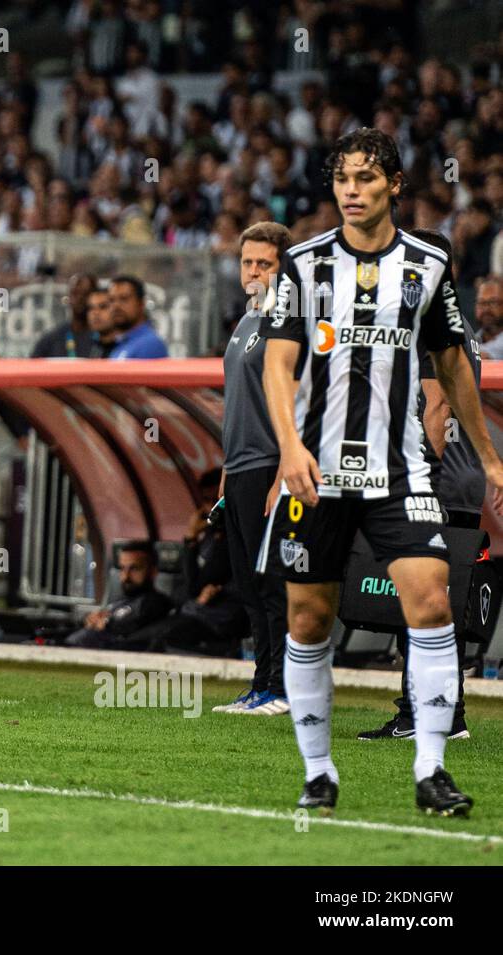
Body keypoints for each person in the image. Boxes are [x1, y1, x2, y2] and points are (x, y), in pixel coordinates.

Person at [259, 127, 503, 817]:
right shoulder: (303, 265)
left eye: (366, 178)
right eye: (343, 179)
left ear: (394, 183)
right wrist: (288, 445)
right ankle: (318, 772)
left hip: (401, 472)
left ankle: (431, 769)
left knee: (429, 601)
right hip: (318, 471)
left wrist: (488, 457)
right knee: (309, 621)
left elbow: (452, 363)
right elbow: (278, 364)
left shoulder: (428, 262)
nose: (352, 191)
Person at [358, 229, 478, 741]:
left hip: (437, 480)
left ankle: (423, 713)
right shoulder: (460, 326)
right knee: (437, 604)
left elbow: (437, 407)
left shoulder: (430, 323)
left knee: (420, 603)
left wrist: (418, 479)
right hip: (462, 481)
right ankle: (445, 714)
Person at [211, 221, 292, 716]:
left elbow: (300, 403)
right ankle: (261, 682)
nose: (254, 270)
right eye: (248, 262)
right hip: (240, 467)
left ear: (284, 266)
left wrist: (285, 470)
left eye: (265, 262)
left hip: (270, 465)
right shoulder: (245, 321)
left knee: (273, 582)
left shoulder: (291, 321)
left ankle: (282, 687)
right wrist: (225, 469)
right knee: (247, 582)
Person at [130, 471, 248, 656]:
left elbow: (194, 586)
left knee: (159, 641)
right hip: (194, 612)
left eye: (216, 501)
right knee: (136, 638)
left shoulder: (232, 539)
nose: (210, 507)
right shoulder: (209, 536)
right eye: (206, 500)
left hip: (218, 620)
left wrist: (190, 541)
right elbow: (189, 586)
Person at [64, 541, 173, 650]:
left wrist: (106, 623)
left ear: (153, 572)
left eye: (134, 569)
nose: (126, 576)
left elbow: (130, 625)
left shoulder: (155, 603)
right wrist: (91, 619)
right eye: (122, 568)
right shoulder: (118, 603)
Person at [107, 275, 169, 359]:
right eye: (111, 300)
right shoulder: (122, 343)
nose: (116, 306)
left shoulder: (149, 344)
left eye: (124, 299)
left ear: (141, 303)